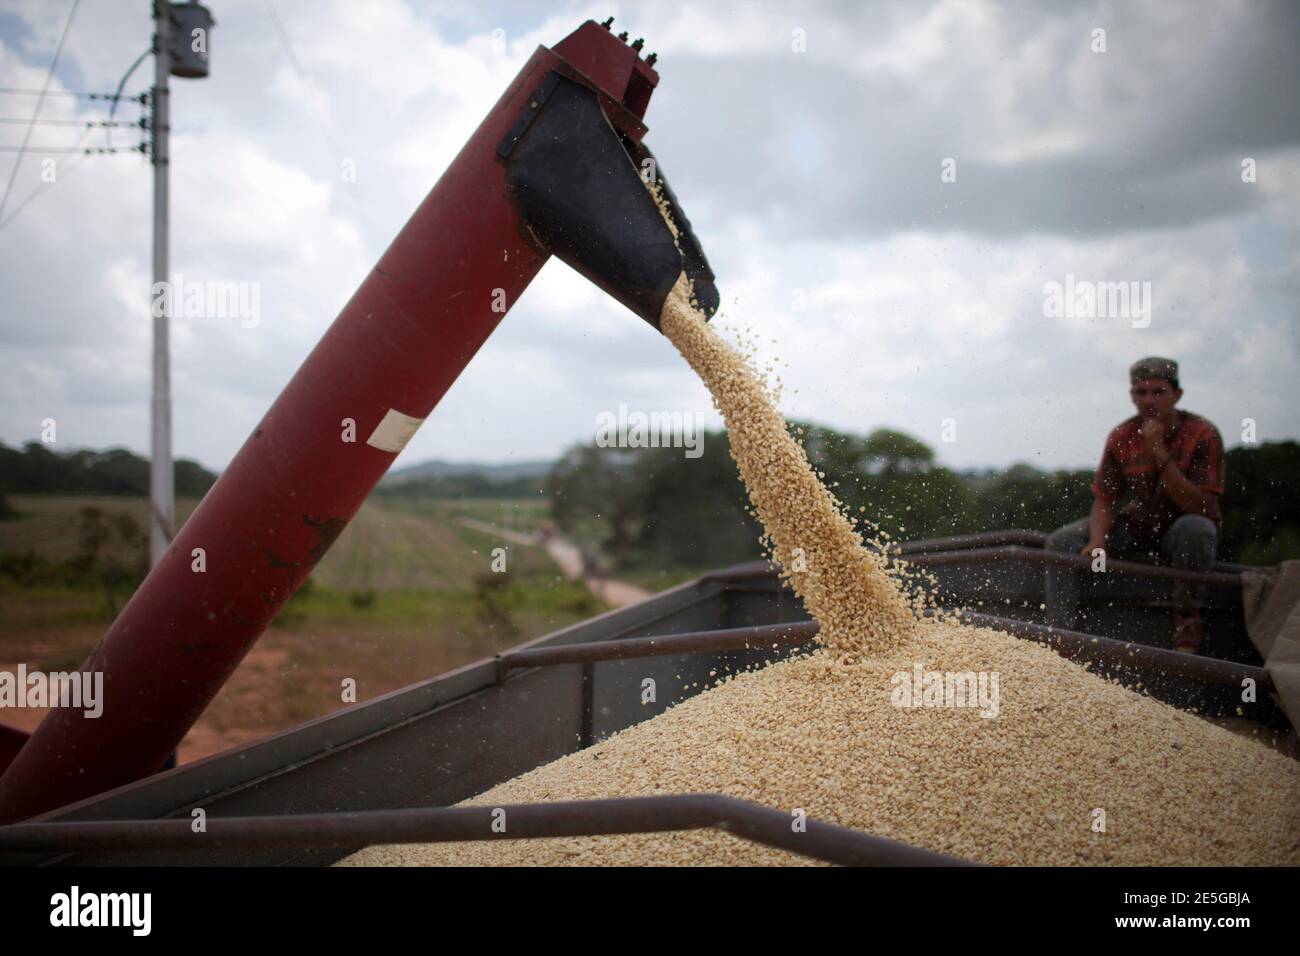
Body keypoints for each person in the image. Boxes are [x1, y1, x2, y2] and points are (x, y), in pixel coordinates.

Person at [1044, 357, 1226, 653]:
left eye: (1158, 392)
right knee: (1061, 542)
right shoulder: (1122, 435)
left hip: (1181, 529)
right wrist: (1098, 541)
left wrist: (1157, 450)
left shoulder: (1201, 434)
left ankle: (1187, 620)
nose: (1148, 400)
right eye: (1140, 393)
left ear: (1176, 395)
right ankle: (1060, 638)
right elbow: (1105, 497)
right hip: (1140, 524)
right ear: (1131, 396)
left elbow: (1200, 505)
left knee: (1199, 530)